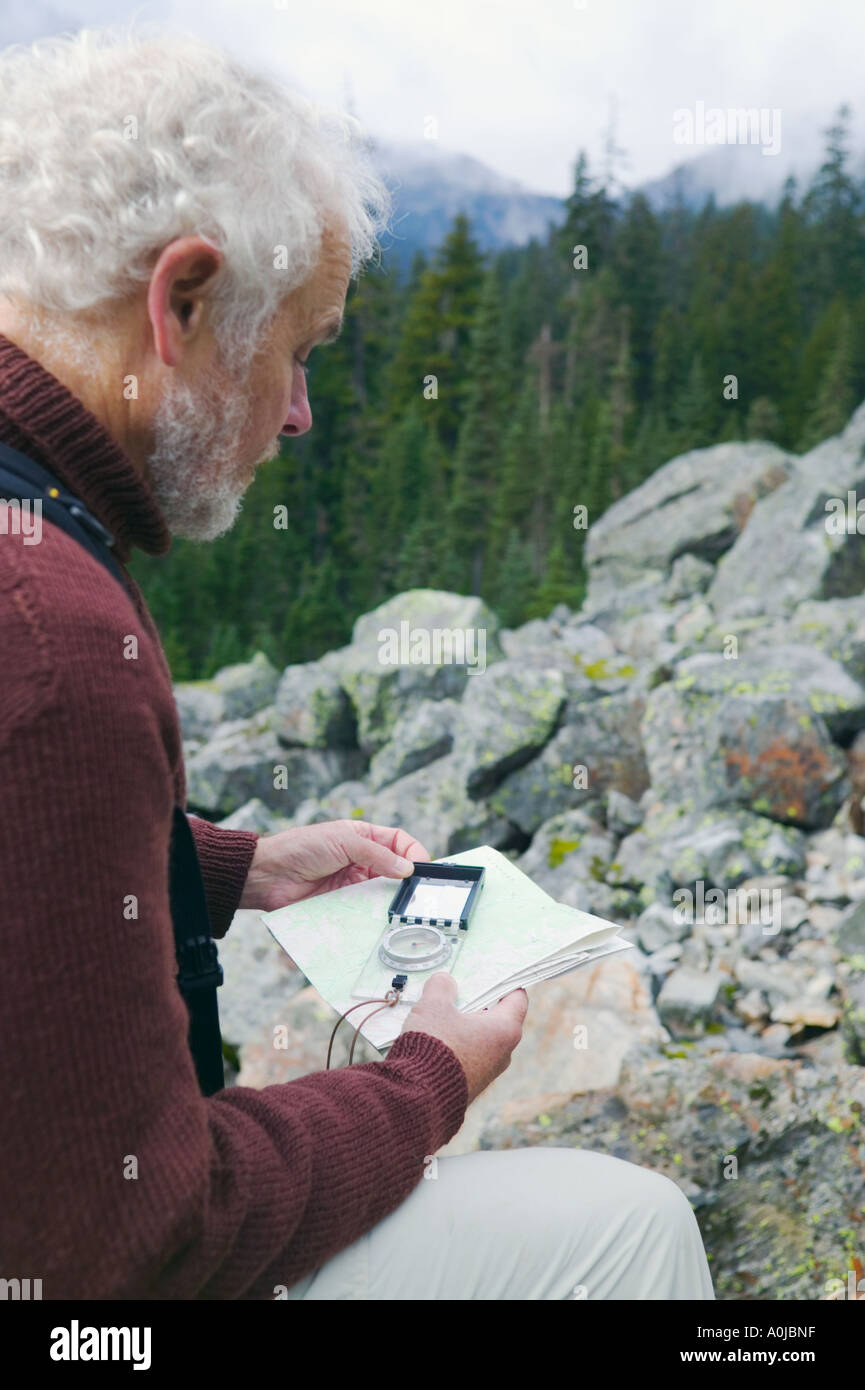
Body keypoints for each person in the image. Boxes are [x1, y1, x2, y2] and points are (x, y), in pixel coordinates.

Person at [0, 25, 714, 1300]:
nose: (298, 412)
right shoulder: (49, 631)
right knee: (630, 1226)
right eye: (303, 347)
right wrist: (424, 1077)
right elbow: (133, 1249)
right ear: (183, 301)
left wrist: (224, 866)